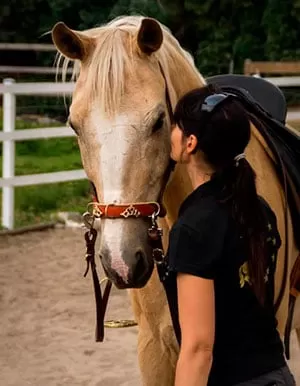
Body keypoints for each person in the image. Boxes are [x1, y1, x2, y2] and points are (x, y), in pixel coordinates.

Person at [161, 85, 296, 386]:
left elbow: (199, 348)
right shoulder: (259, 209)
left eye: (175, 125)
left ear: (190, 143)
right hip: (277, 376)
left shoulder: (194, 228)